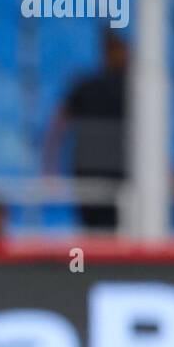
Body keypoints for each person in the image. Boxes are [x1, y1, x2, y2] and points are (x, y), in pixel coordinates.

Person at [43, 31, 128, 230]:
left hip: (121, 175)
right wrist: (50, 166)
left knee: (118, 235)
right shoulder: (86, 87)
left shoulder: (134, 89)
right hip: (88, 173)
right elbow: (58, 125)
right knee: (93, 234)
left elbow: (147, 135)